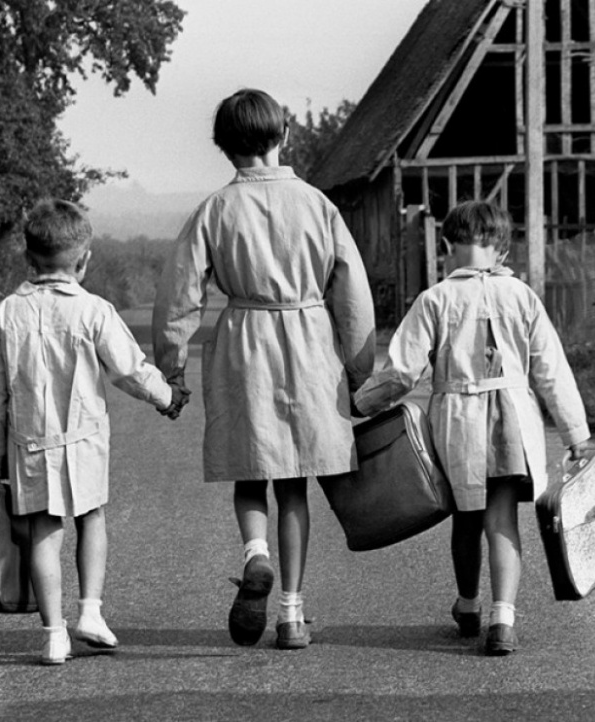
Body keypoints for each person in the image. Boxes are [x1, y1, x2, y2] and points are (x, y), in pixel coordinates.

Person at [152, 89, 375, 650]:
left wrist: (170, 369)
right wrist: (359, 365)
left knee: (251, 469)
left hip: (244, 338)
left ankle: (256, 555)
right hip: (307, 340)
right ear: (285, 135)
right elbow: (351, 292)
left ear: (224, 148)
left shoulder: (215, 209)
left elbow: (180, 297)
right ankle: (293, 615)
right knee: (295, 480)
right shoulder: (318, 205)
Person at [353, 201, 589, 656]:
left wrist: (361, 403)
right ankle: (503, 618)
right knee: (502, 517)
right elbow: (551, 370)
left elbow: (402, 372)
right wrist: (575, 433)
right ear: (502, 248)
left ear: (448, 247)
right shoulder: (523, 298)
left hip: (459, 422)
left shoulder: (435, 299)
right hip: (513, 418)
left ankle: (468, 602)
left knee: (466, 516)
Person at [0, 199, 187, 665]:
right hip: (85, 441)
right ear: (85, 259)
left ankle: (54, 634)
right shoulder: (94, 310)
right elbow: (129, 368)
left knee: (43, 534)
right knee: (91, 519)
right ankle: (90, 612)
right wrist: (166, 396)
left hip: (30, 445)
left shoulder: (5, 315)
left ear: (29, 258)